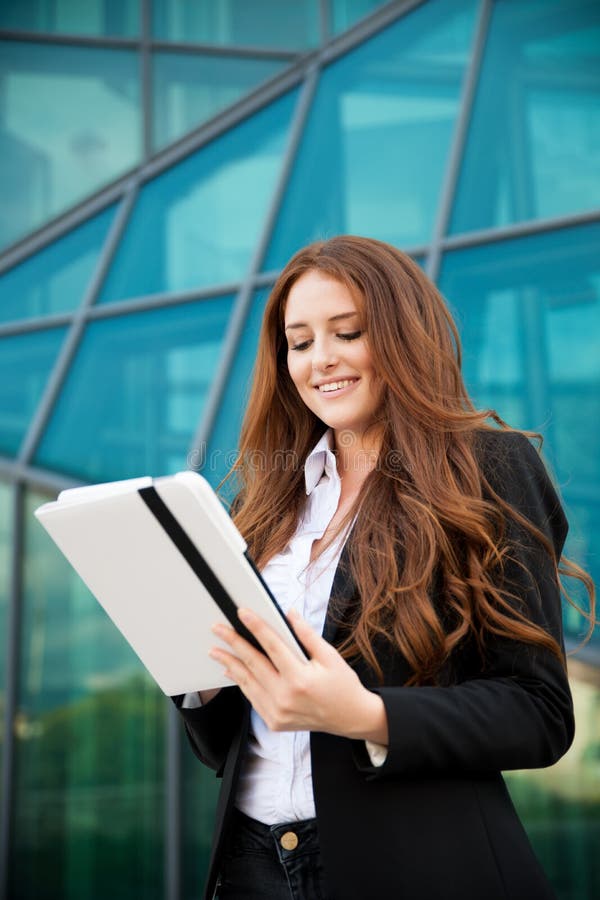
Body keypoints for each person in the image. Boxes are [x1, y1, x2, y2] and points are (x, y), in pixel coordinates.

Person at [173, 235, 595, 900]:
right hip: (252, 866)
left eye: (348, 332)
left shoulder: (491, 469)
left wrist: (370, 715)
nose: (322, 360)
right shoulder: (269, 498)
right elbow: (225, 743)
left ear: (402, 334)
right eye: (300, 341)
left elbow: (540, 714)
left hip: (414, 862)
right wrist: (197, 675)